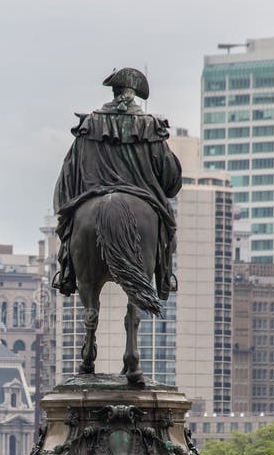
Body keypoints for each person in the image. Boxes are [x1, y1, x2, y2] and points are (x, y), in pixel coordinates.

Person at [53, 68, 182, 300]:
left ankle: (67, 273)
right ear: (133, 95)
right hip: (143, 196)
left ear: (115, 93)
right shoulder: (151, 127)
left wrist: (66, 211)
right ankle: (165, 277)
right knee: (167, 231)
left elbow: (68, 174)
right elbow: (171, 179)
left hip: (92, 194)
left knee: (73, 228)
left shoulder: (89, 125)